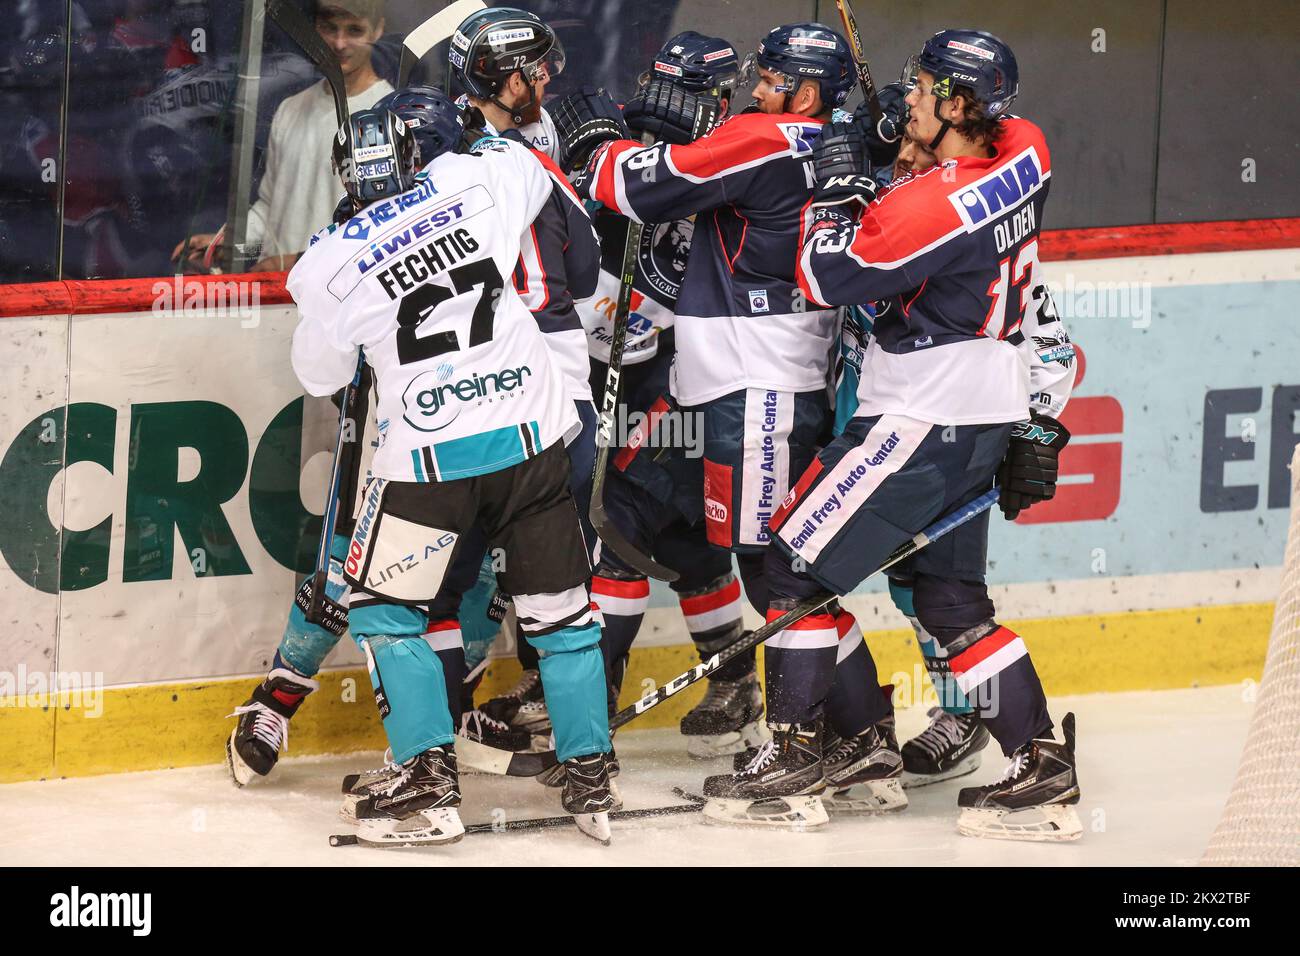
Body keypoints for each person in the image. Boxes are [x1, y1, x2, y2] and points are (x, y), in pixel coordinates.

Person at [702, 29, 1082, 842]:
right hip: (987, 414)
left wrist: (842, 188)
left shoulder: (928, 208)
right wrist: (916, 148)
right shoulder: (1028, 151)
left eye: (920, 92)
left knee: (794, 567)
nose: (904, 99)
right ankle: (1040, 760)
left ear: (956, 105)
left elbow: (823, 273)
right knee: (949, 599)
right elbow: (984, 150)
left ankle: (801, 752)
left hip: (921, 418)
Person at [282, 97, 615, 846]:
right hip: (533, 438)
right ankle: (590, 771)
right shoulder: (470, 181)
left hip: (430, 457)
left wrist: (341, 261)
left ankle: (427, 785)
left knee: (381, 610)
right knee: (561, 612)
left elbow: (318, 371)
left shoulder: (330, 258)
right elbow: (528, 165)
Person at [549, 31, 764, 758]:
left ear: (720, 101)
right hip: (602, 366)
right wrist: (582, 148)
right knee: (687, 538)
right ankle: (736, 679)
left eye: (691, 93)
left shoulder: (734, 162)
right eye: (662, 84)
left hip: (679, 376)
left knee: (616, 531)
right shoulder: (617, 138)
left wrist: (617, 170)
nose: (670, 104)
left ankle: (588, 704)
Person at [175, 0, 392, 272]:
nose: (339, 43)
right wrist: (225, 243)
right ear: (314, 28)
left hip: (340, 300)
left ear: (377, 30)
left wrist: (292, 263)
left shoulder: (388, 116)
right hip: (275, 299)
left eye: (354, 31)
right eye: (330, 28)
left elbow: (385, 231)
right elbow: (270, 209)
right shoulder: (290, 109)